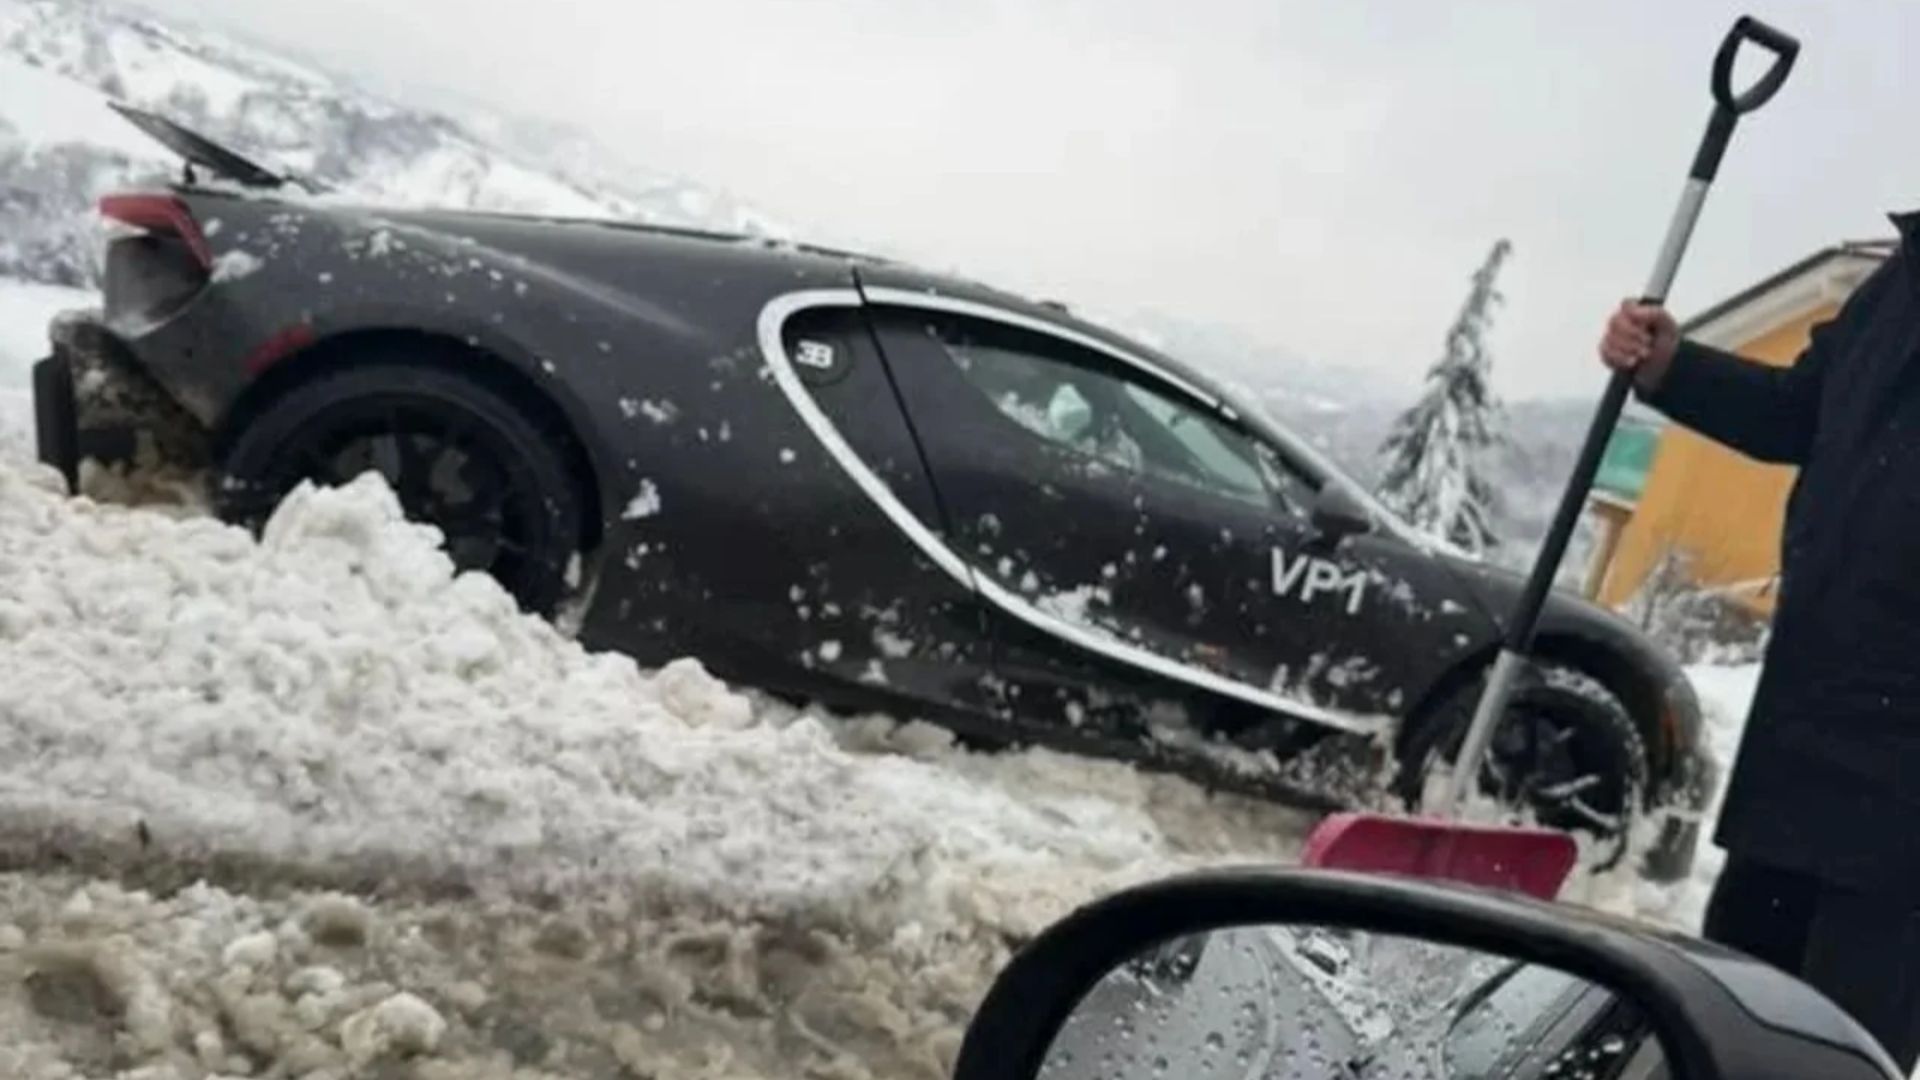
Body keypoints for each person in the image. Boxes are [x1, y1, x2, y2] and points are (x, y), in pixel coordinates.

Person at [1597, 214, 1920, 1071]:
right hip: (1805, 723)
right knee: (1733, 1007)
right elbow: (1798, 412)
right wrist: (1670, 366)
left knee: (1841, 1047)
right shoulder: (1897, 286)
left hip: (1903, 792)